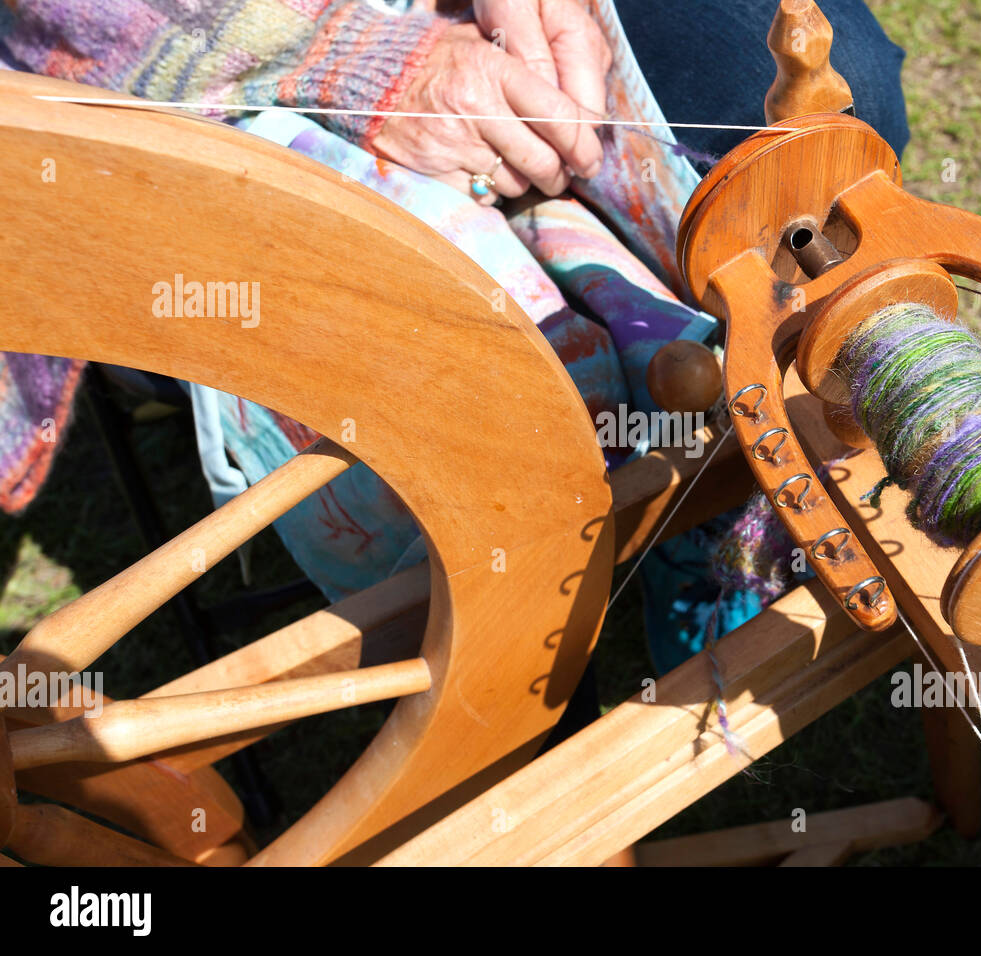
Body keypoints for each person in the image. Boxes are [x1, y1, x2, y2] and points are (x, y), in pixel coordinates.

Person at [0, 0, 909, 673]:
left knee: (835, 95)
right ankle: (627, 553)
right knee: (484, 354)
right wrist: (359, 60)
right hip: (168, 61)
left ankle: (709, 513)